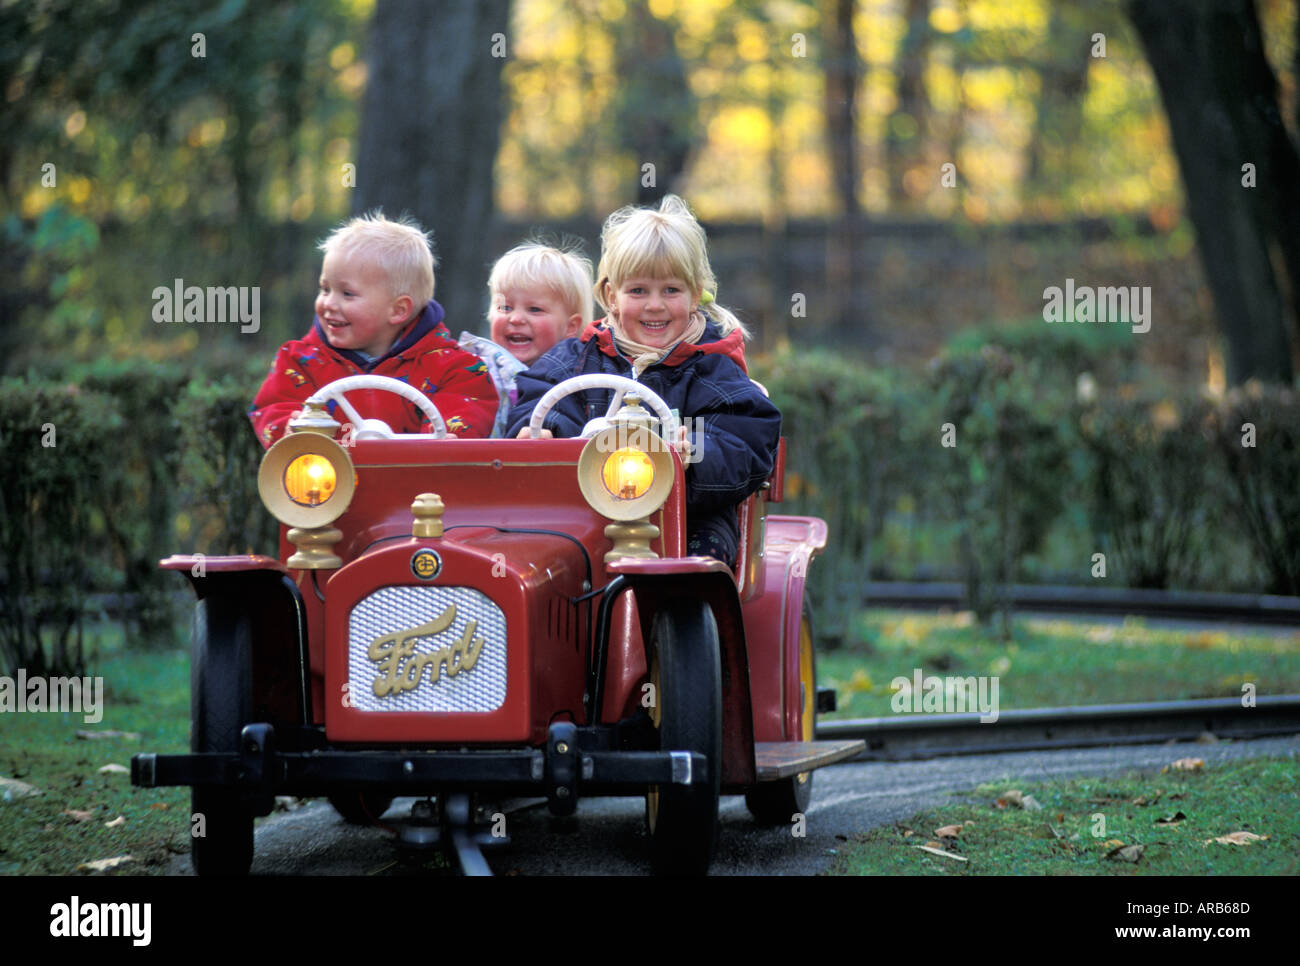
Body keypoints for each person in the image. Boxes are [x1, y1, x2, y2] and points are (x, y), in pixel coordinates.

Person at [505, 195, 780, 564]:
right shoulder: (575, 359)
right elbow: (540, 400)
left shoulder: (712, 367)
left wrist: (693, 453)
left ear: (695, 295)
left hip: (687, 515)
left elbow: (744, 441)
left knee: (701, 559)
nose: (654, 305)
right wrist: (544, 431)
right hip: (582, 512)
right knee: (536, 556)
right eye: (638, 291)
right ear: (610, 296)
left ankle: (690, 619)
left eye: (671, 290)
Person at [250, 212, 498, 447]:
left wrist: (446, 438)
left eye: (347, 294)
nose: (328, 303)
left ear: (398, 310)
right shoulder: (300, 362)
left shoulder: (455, 369)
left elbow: (463, 415)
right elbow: (274, 407)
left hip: (416, 487)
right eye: (325, 289)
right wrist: (290, 427)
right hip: (325, 486)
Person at [459, 242, 594, 436]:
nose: (515, 318)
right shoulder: (470, 368)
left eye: (535, 309)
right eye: (505, 307)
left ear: (570, 327)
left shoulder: (579, 378)